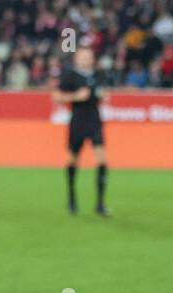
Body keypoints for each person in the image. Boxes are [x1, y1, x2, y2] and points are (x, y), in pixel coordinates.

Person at [55, 47, 109, 216]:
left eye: (88, 56)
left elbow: (102, 92)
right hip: (78, 119)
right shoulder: (70, 75)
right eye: (82, 56)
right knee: (73, 159)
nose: (85, 59)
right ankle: (72, 199)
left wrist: (103, 96)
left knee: (101, 159)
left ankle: (100, 203)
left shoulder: (98, 75)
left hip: (94, 119)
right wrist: (76, 96)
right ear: (76, 59)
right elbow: (56, 96)